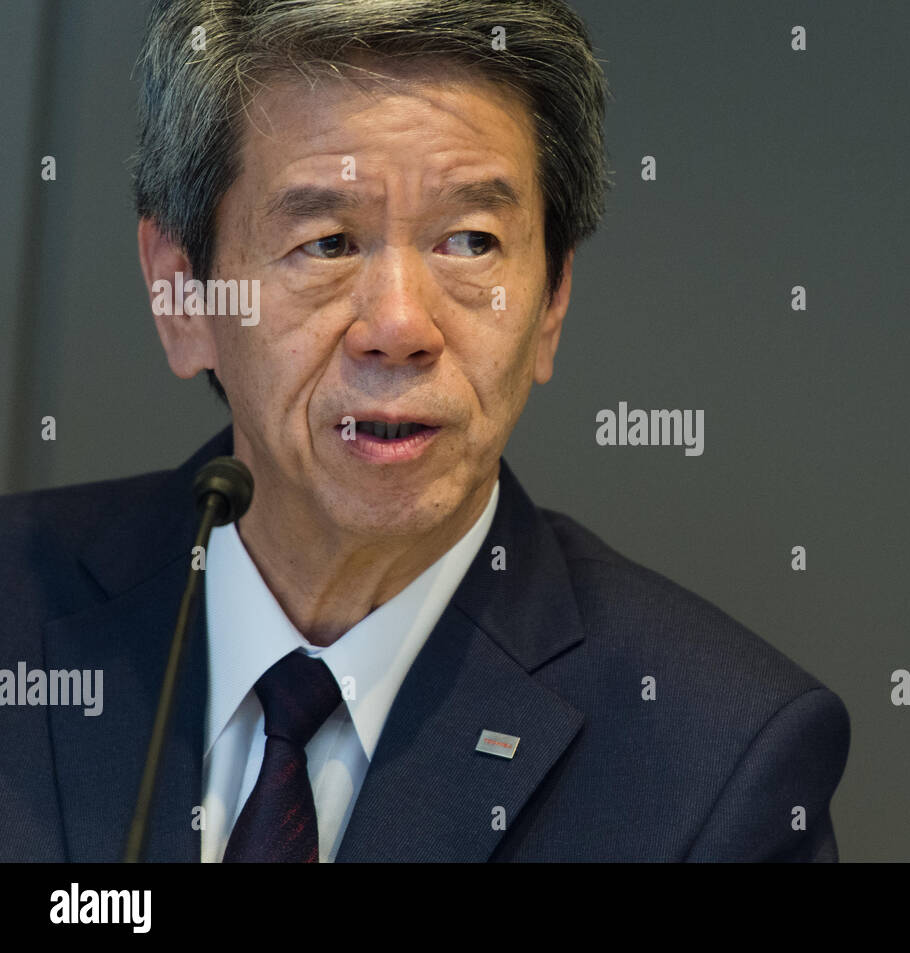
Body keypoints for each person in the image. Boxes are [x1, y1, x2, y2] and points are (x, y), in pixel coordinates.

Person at [0, 0, 850, 862]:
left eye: (470, 241)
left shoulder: (714, 765)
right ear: (184, 294)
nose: (401, 325)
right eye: (328, 243)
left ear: (551, 302)